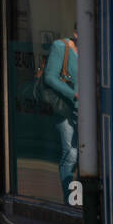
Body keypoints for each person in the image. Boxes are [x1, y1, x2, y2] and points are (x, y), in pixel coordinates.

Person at [44, 26, 78, 202]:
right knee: (71, 153)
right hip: (66, 108)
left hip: (88, 110)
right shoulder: (61, 47)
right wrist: (73, 94)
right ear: (76, 33)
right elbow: (49, 77)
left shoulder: (96, 50)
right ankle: (71, 200)